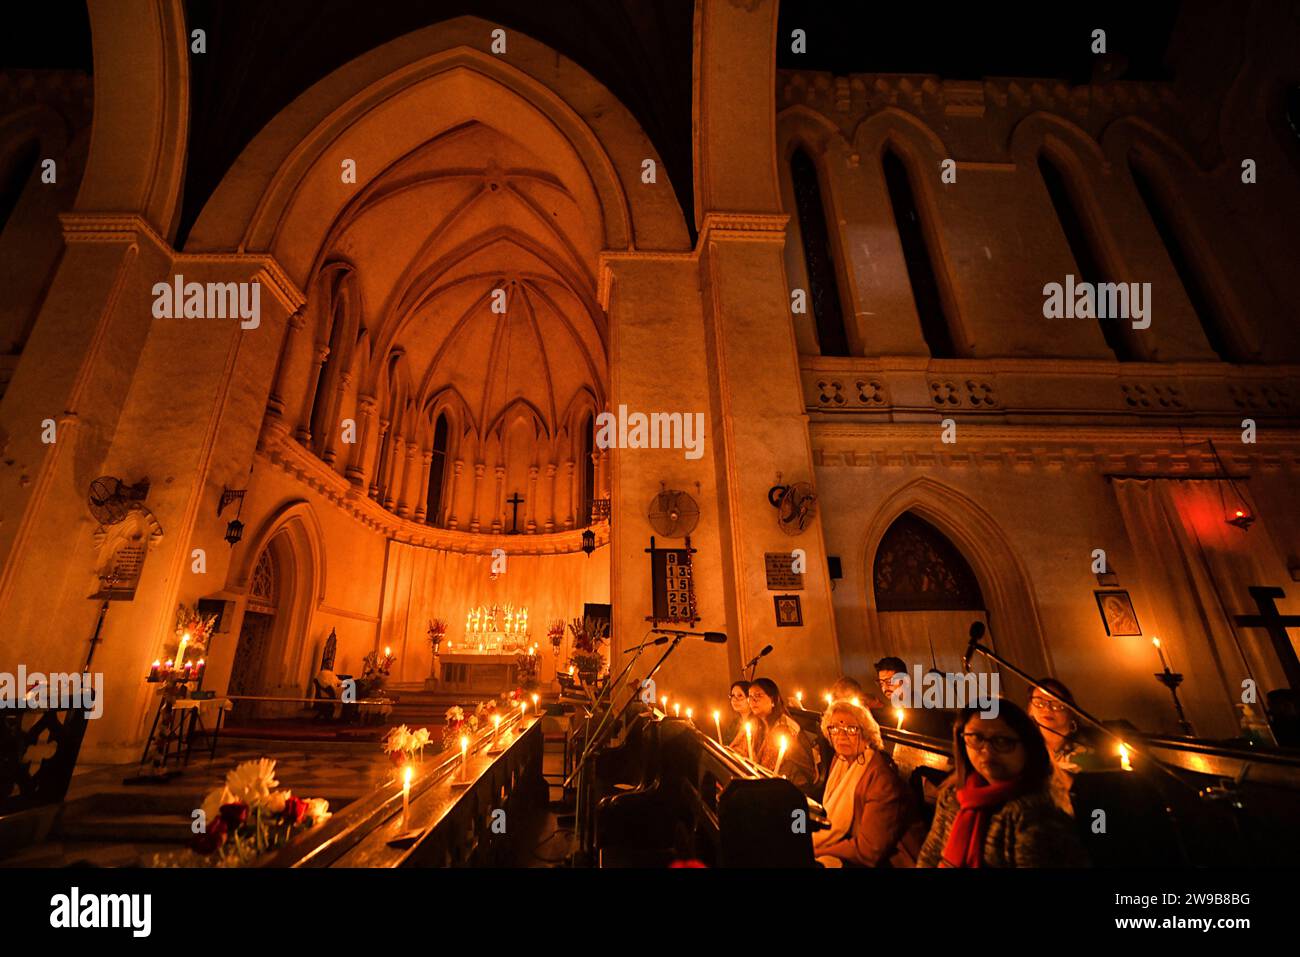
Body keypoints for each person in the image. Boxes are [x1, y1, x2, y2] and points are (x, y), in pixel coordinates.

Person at [917, 699, 1087, 868]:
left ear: (1027, 746)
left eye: (1002, 741)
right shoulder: (953, 795)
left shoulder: (1034, 813)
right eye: (976, 738)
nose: (987, 750)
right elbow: (930, 855)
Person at [813, 699, 925, 867]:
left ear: (866, 733)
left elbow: (868, 850)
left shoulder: (881, 779)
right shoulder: (840, 760)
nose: (841, 735)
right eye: (834, 728)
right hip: (850, 846)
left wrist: (816, 851)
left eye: (851, 729)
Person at [731, 677, 818, 793]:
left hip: (793, 786)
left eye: (758, 696)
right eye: (750, 697)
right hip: (770, 780)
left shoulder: (784, 727)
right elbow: (739, 748)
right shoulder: (756, 722)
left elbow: (769, 766)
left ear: (772, 700)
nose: (753, 701)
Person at [1028, 678, 1096, 816]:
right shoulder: (1027, 748)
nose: (1047, 708)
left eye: (1056, 703)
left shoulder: (1085, 751)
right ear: (1030, 709)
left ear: (1071, 710)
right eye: (1039, 702)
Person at [720, 679, 751, 745]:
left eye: (740, 696)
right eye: (732, 696)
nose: (734, 700)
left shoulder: (756, 723)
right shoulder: (735, 723)